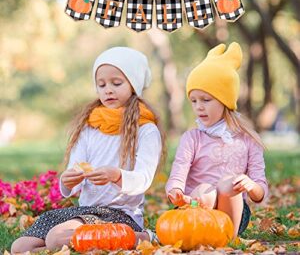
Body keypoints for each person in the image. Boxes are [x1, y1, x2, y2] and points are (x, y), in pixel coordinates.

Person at [11, 47, 166, 253]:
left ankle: (141, 237)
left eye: (116, 83)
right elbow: (73, 180)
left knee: (56, 238)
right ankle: (63, 247)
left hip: (119, 214)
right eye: (101, 85)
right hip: (84, 212)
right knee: (20, 247)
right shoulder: (90, 127)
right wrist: (67, 181)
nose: (108, 90)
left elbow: (143, 180)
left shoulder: (146, 129)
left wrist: (116, 175)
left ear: (134, 84)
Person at [166, 42, 268, 238]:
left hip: (233, 214)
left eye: (206, 100)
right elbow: (177, 174)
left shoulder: (248, 140)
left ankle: (226, 238)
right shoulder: (192, 138)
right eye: (194, 100)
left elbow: (260, 192)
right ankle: (199, 233)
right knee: (206, 191)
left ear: (225, 100)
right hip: (194, 207)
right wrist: (176, 191)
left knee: (228, 184)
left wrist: (250, 185)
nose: (198, 107)